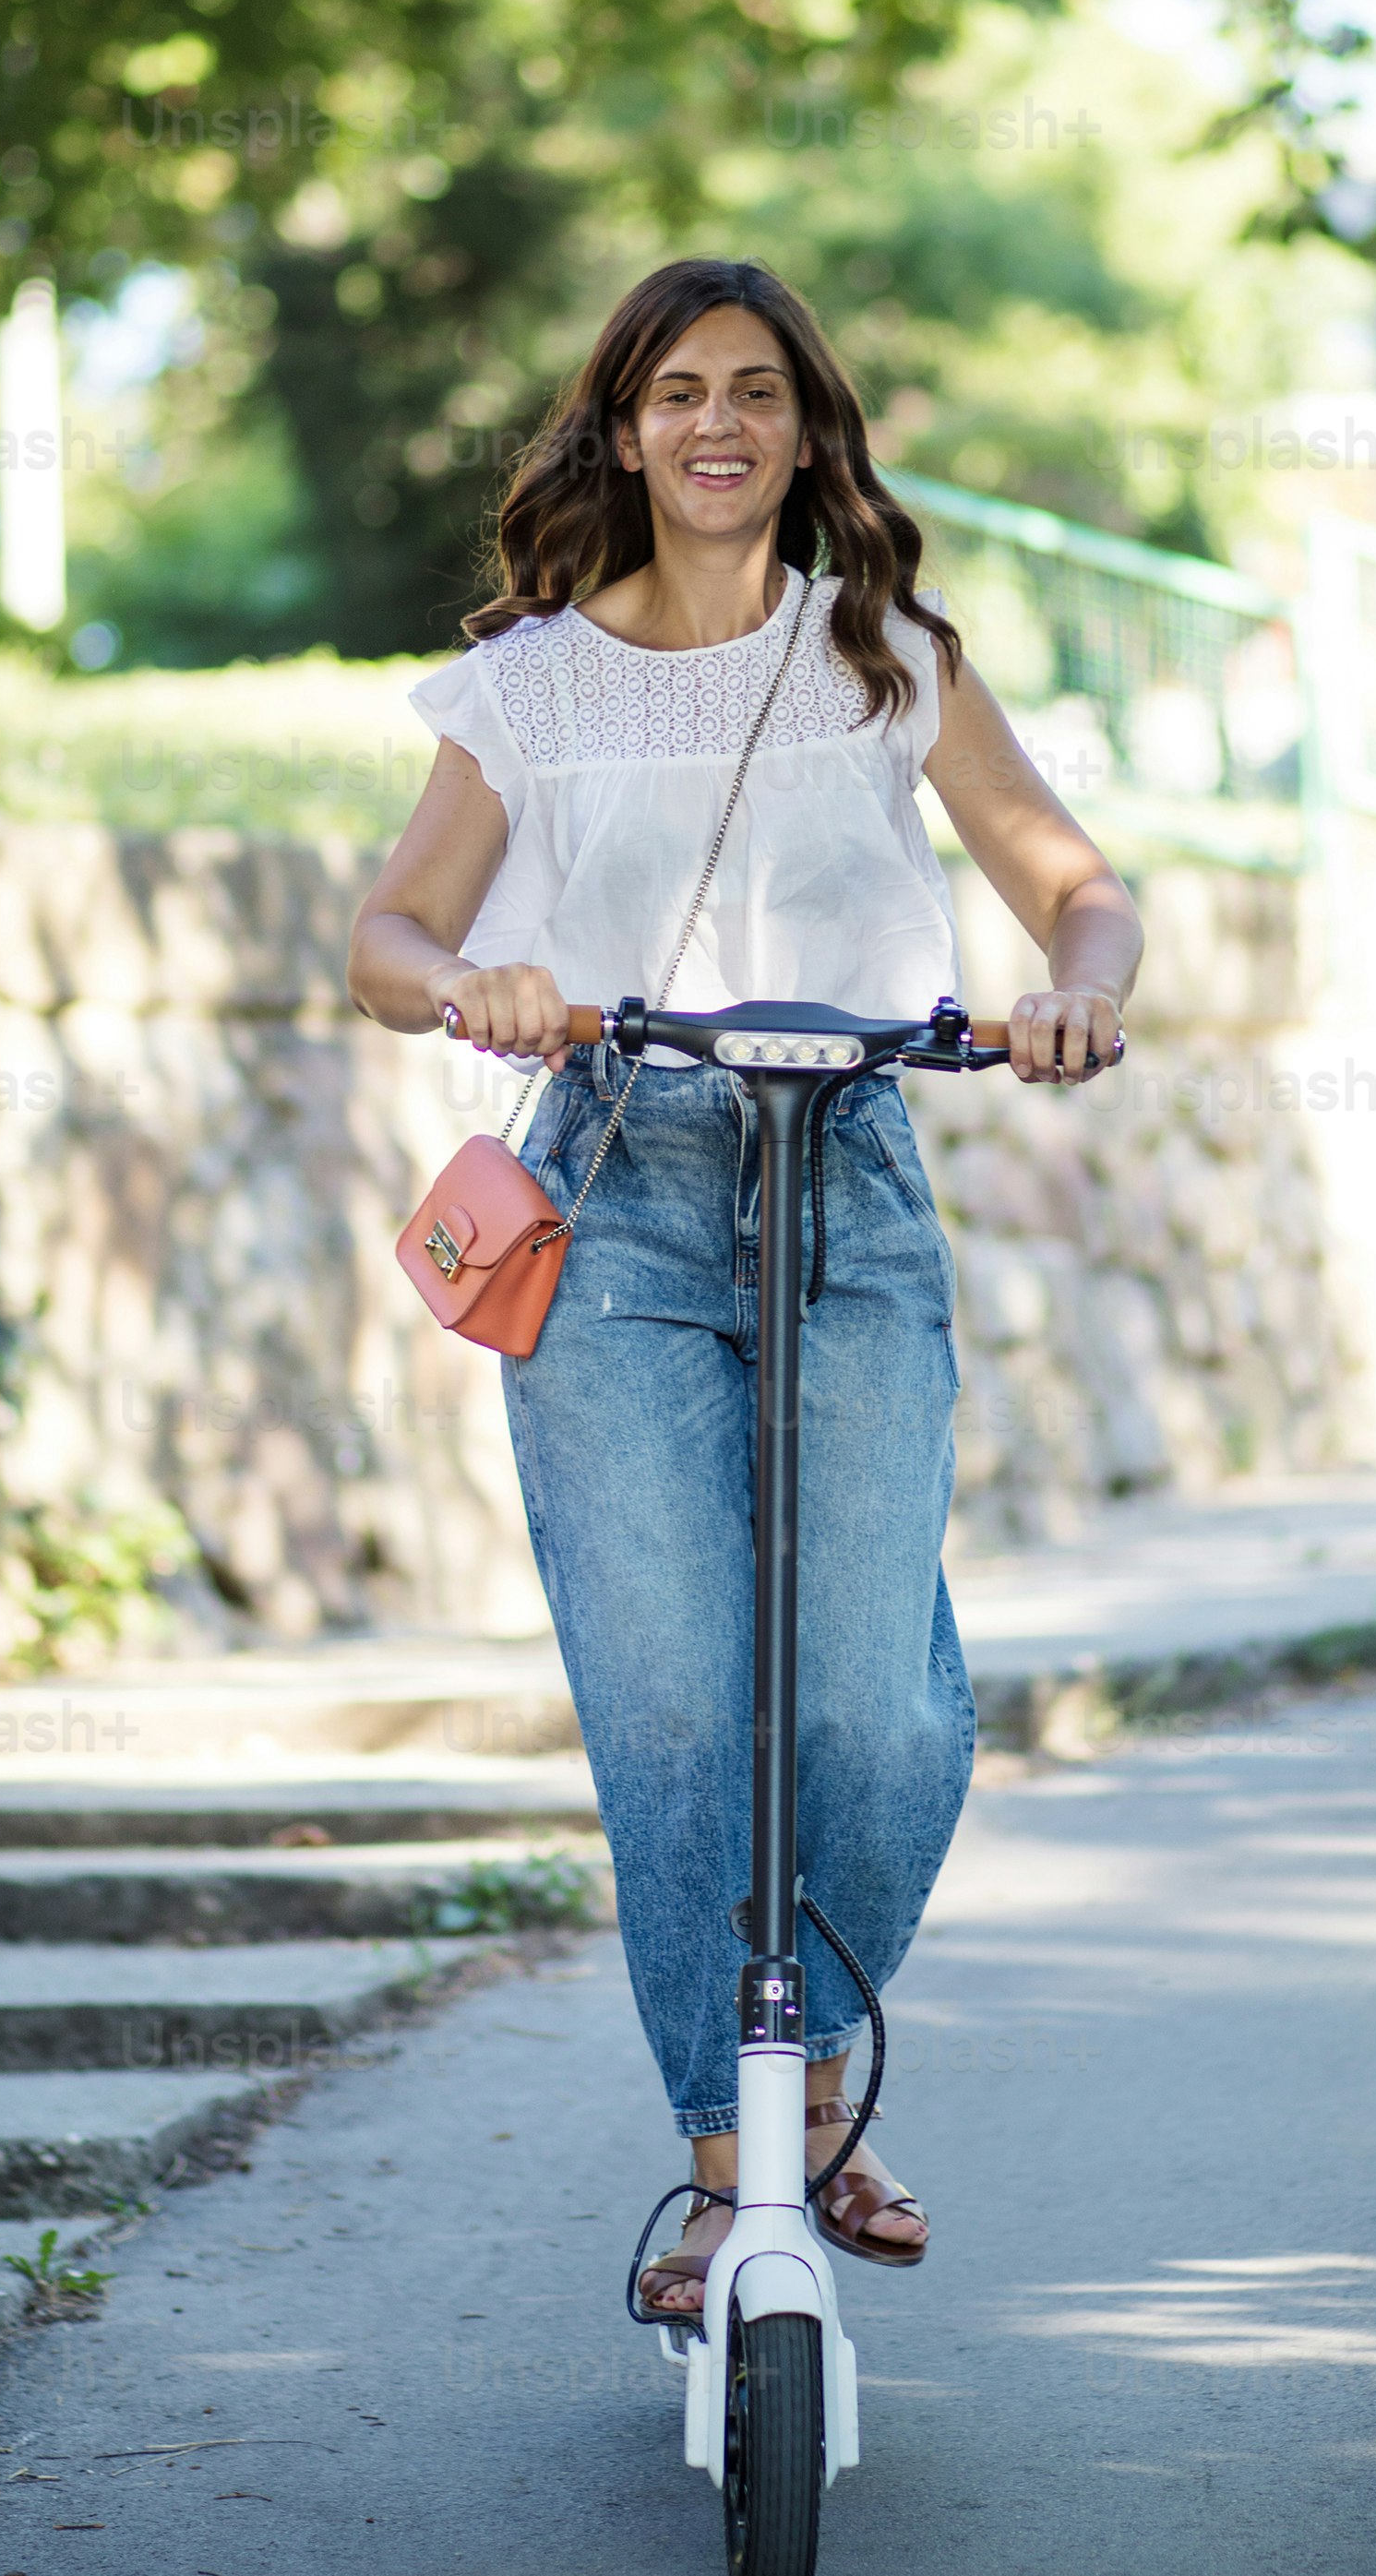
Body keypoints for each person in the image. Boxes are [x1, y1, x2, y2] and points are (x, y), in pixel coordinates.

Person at [349, 260, 1141, 2320]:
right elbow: (386, 933)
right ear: (622, 426)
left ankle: (793, 2114)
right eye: (680, 390)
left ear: (807, 429)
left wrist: (1080, 992)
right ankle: (745, 2164)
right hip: (614, 1177)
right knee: (682, 1702)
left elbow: (1075, 877)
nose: (721, 423)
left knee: (885, 1712)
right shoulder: (528, 685)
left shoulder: (885, 652)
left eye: (761, 392)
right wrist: (473, 985)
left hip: (852, 1174)